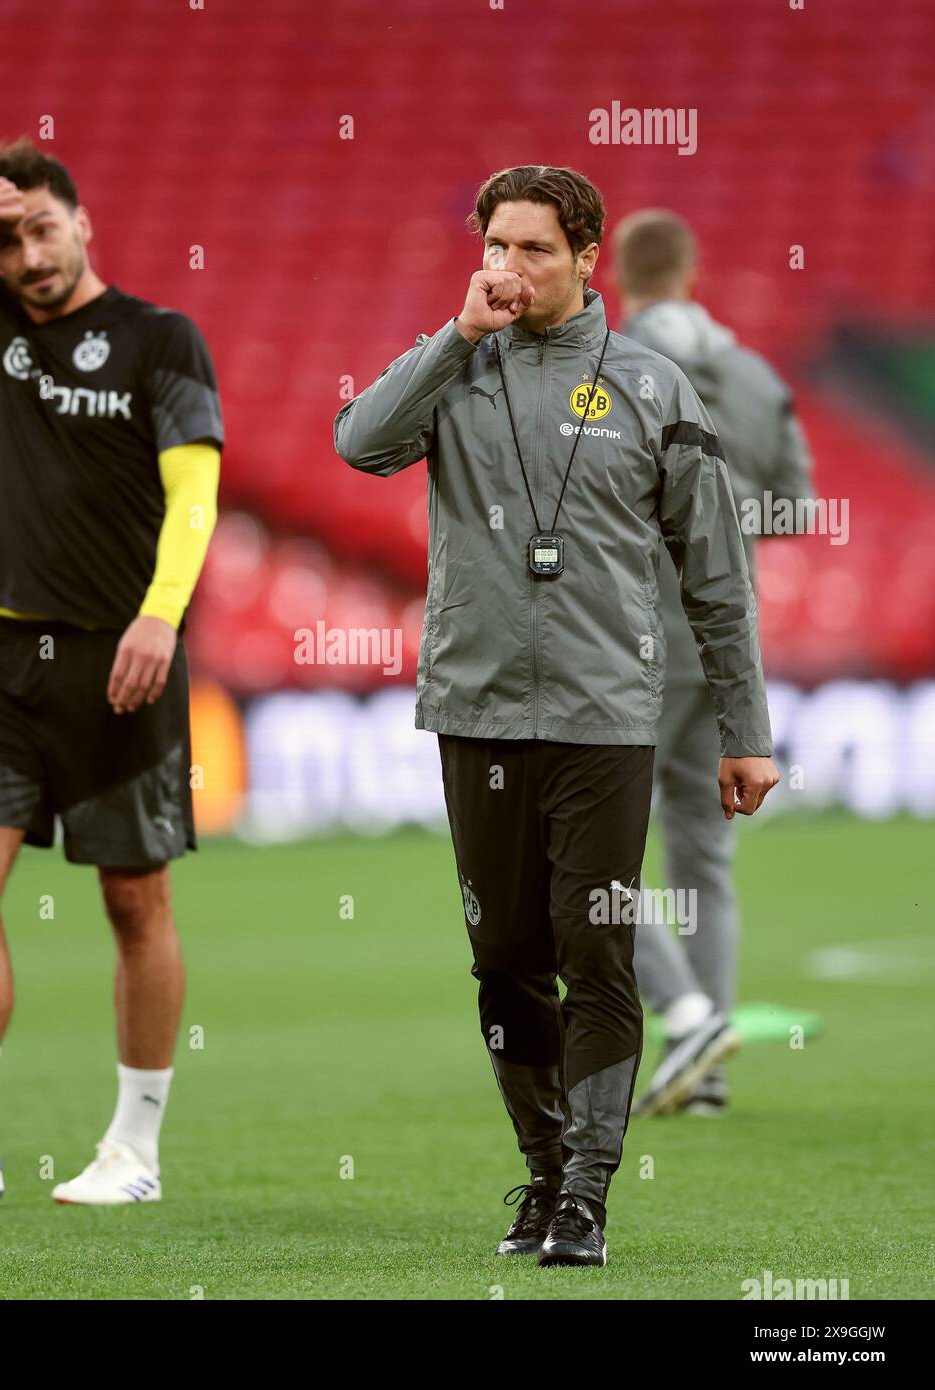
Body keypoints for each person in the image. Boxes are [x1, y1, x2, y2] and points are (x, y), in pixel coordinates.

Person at [333, 166, 779, 1268]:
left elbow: (717, 575)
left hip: (605, 715)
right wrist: (456, 335)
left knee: (597, 949)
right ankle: (540, 1171)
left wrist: (745, 728)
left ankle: (585, 1195)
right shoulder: (455, 368)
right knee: (504, 962)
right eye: (495, 246)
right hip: (476, 709)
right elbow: (357, 441)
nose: (509, 268)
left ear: (586, 258)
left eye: (534, 249)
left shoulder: (654, 386)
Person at [0, 138, 223, 1207]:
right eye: (8, 241)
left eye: (43, 230)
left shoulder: (161, 338)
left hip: (119, 656)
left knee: (133, 899)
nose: (27, 256)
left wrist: (160, 616)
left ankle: (134, 1151)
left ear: (83, 223)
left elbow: (195, 495)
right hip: (3, 653)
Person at [612, 209, 814, 1118]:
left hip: (626, 645)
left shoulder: (610, 370)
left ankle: (687, 1017)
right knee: (704, 856)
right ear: (693, 275)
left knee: (588, 849)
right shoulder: (758, 378)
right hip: (723, 646)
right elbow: (795, 508)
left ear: (617, 276)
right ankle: (710, 1065)